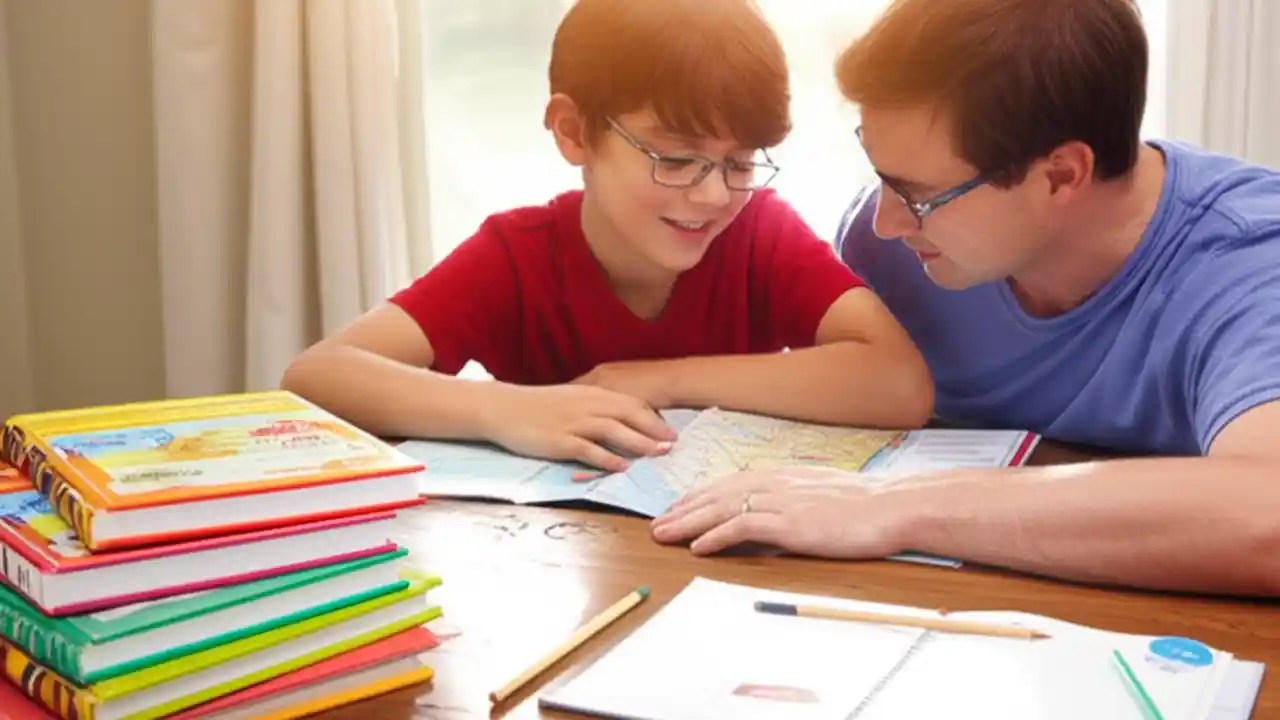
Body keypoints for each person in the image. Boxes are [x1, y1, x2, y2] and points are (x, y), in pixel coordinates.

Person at [653, 0, 1280, 596]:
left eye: (918, 193)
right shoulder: (896, 252)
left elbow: (1268, 516)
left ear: (1061, 176)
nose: (885, 223)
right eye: (880, 177)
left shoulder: (1250, 260)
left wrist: (900, 507)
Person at [281, 0, 933, 474]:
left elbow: (900, 383)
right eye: (675, 160)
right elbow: (318, 375)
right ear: (573, 132)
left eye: (739, 163)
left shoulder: (759, 233)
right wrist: (505, 410)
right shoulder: (517, 256)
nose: (712, 195)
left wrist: (660, 380)